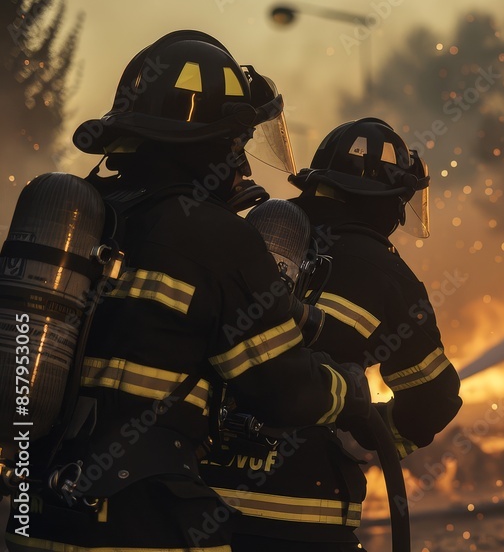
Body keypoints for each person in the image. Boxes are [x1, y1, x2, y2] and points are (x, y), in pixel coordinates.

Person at [4, 31, 370, 551]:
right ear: (211, 144)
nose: (242, 163)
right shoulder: (216, 238)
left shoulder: (84, 218)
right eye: (237, 142)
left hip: (37, 517)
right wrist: (348, 389)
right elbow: (285, 391)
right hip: (142, 524)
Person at [201, 118, 463, 551]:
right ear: (388, 201)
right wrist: (370, 430)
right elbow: (434, 398)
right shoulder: (387, 275)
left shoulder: (258, 233)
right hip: (304, 512)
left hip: (199, 504)